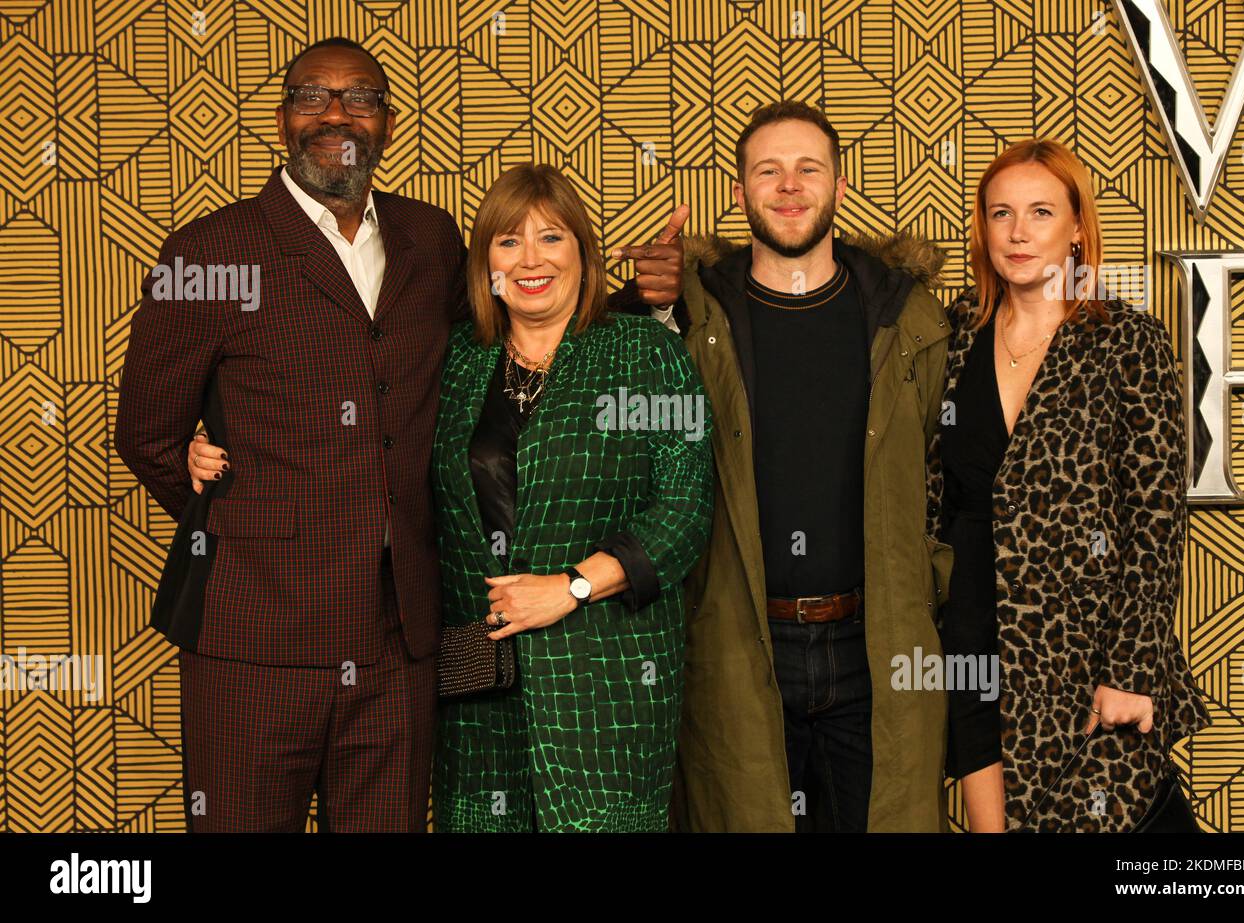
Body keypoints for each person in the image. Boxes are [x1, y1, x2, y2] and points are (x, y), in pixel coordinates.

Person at [123, 36, 684, 832]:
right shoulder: (213, 253)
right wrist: (230, 504)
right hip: (254, 638)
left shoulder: (430, 240)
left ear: (387, 122)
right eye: (313, 95)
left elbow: (514, 343)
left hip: (399, 644)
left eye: (360, 97)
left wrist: (639, 299)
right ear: (283, 117)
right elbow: (146, 432)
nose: (336, 114)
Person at [628, 101, 953, 832]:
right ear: (739, 193)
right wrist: (641, 302)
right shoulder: (690, 318)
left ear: (839, 185)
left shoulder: (912, 322)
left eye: (809, 168)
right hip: (737, 648)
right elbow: (619, 440)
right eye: (766, 170)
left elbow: (950, 482)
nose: (789, 185)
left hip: (877, 648)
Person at [925, 138, 1212, 832]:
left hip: (1089, 656)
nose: (1018, 232)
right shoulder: (951, 336)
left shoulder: (1127, 341)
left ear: (1078, 227)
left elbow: (1156, 521)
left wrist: (1133, 667)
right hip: (971, 642)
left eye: (1040, 211)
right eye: (1000, 213)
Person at [429, 163, 712, 831]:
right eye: (508, 241)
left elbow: (685, 511)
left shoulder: (642, 353)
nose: (531, 259)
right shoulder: (458, 362)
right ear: (485, 264)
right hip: (478, 691)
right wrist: (218, 439)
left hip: (608, 682)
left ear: (583, 253)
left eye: (551, 238)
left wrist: (572, 586)